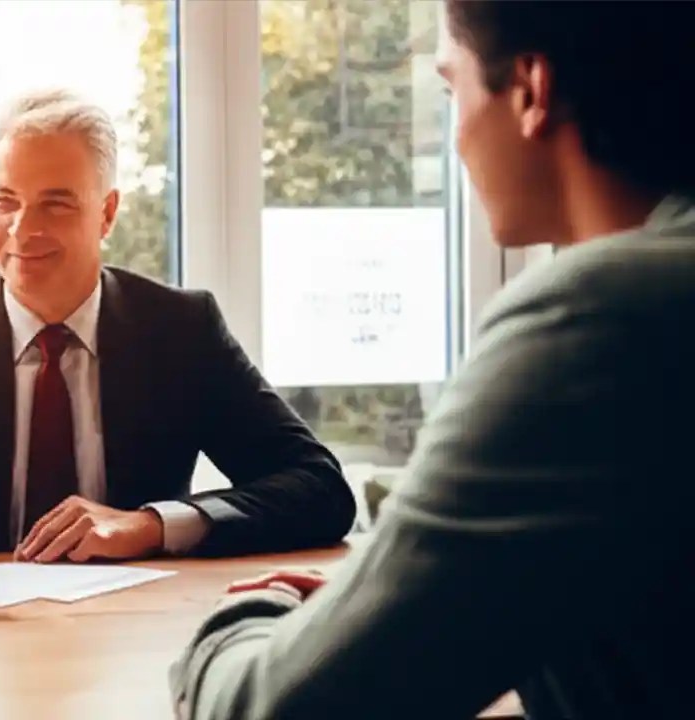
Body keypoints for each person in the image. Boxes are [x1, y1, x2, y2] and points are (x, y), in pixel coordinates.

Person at [170, 2, 695, 718]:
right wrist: (414, 610)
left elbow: (270, 709)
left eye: (452, 90)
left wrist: (249, 617)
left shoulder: (598, 320)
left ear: (531, 90)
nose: (454, 138)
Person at [0, 89, 355, 598]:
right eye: (6, 202)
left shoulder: (181, 330)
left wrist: (148, 526)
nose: (24, 230)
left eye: (55, 202)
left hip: (136, 635)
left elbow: (319, 488)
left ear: (106, 213)